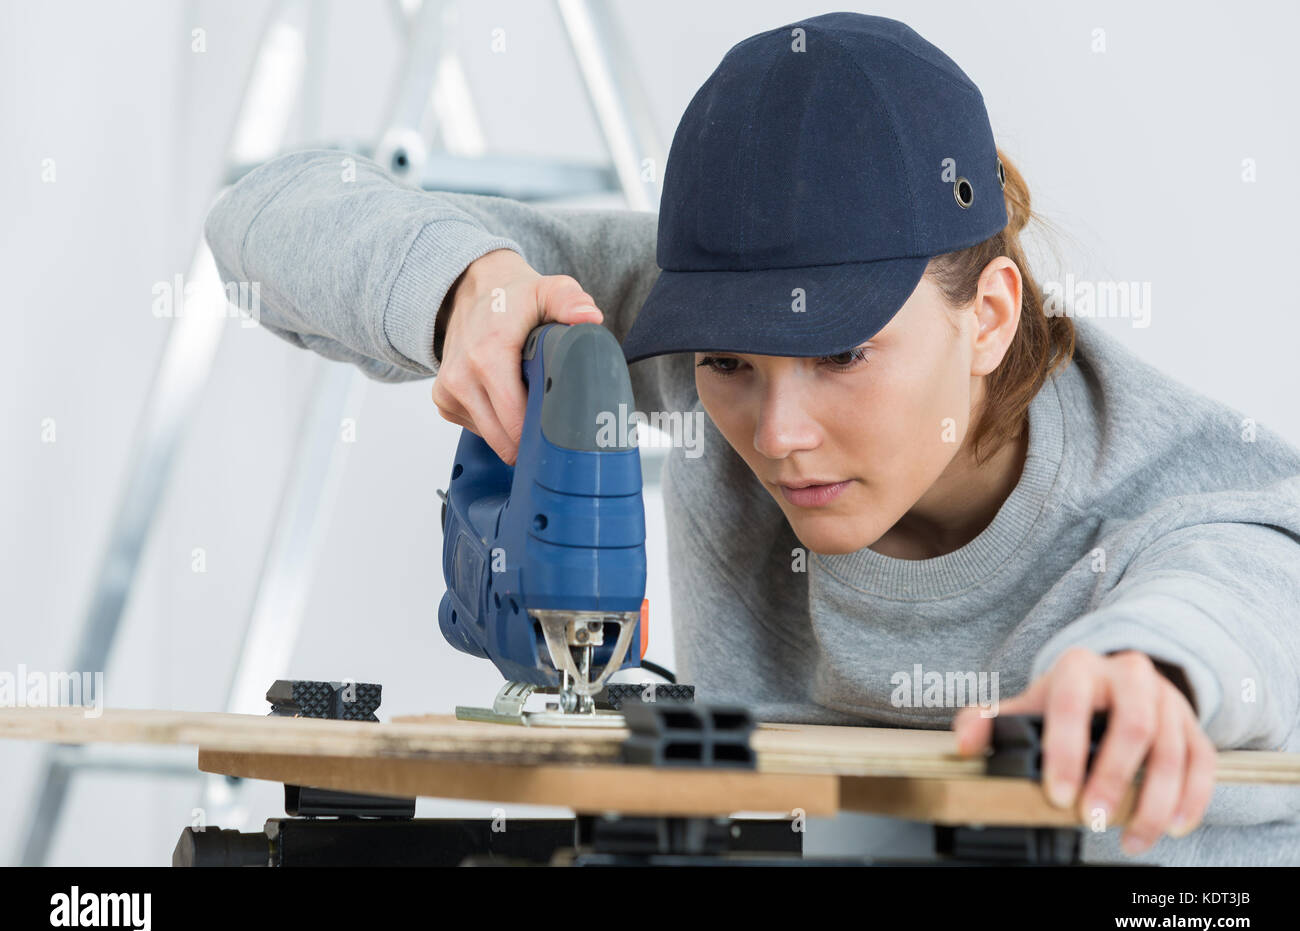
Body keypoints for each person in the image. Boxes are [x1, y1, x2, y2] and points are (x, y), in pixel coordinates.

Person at [205, 12, 1300, 865]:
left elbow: (1248, 585)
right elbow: (265, 213)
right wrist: (460, 286)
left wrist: (1142, 671)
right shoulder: (661, 311)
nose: (777, 434)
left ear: (990, 314)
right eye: (729, 365)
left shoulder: (1162, 487)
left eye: (841, 356)